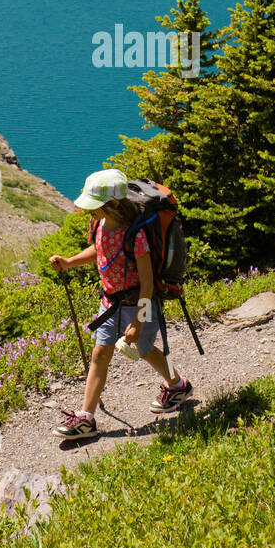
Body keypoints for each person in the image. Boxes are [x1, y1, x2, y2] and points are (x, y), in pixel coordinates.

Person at [50, 168, 192, 440]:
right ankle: (86, 418)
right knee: (99, 354)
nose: (90, 212)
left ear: (114, 205)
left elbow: (148, 285)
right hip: (110, 301)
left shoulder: (135, 235)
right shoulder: (101, 224)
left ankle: (178, 384)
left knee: (145, 349)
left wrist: (137, 323)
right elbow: (99, 250)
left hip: (139, 302)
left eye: (95, 207)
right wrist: (69, 262)